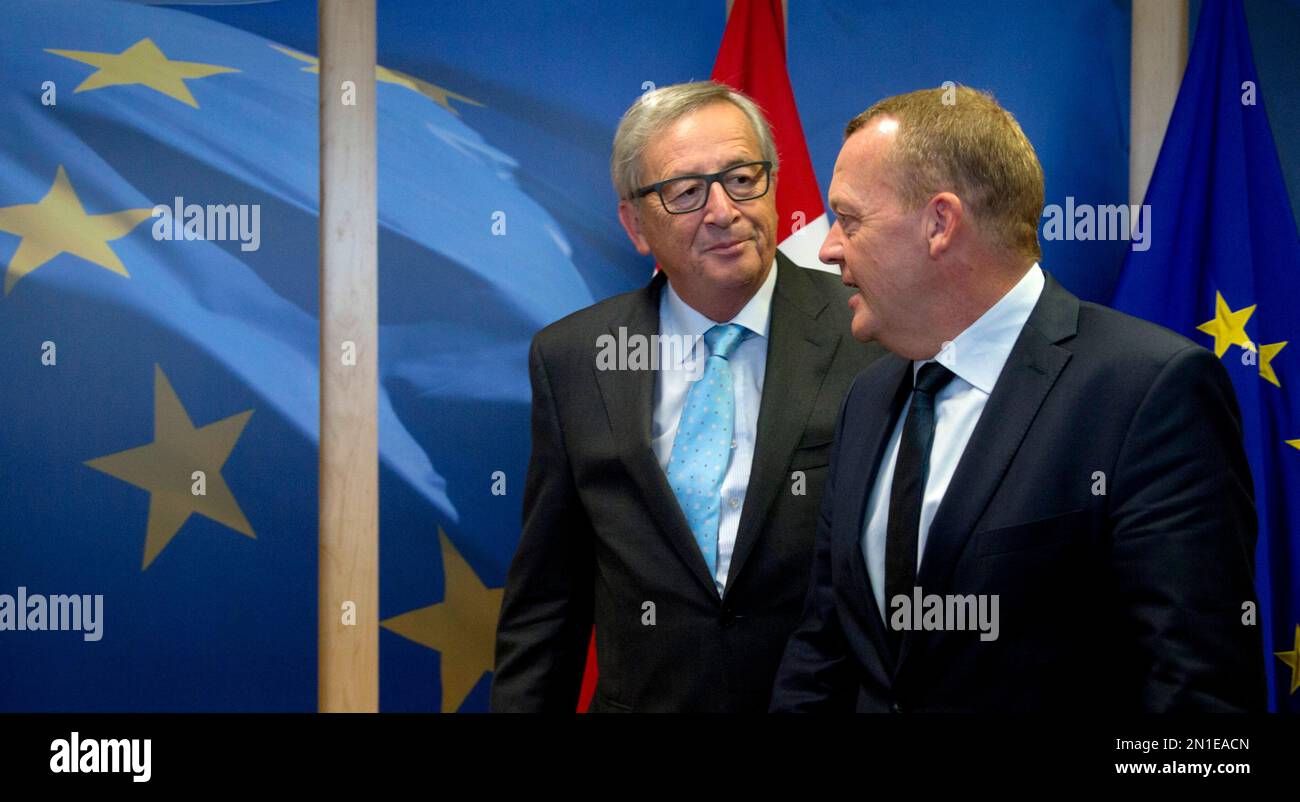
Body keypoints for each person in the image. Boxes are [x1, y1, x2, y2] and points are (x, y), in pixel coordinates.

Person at [771, 86, 1267, 712]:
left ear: (939, 223)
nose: (826, 248)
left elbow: (1200, 704)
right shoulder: (868, 397)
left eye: (848, 218)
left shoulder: (1147, 391)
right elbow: (824, 651)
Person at [490, 81, 884, 712]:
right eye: (686, 192)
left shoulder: (872, 333)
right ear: (635, 224)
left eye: (742, 177)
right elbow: (547, 605)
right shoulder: (573, 360)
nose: (723, 210)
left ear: (774, 185)